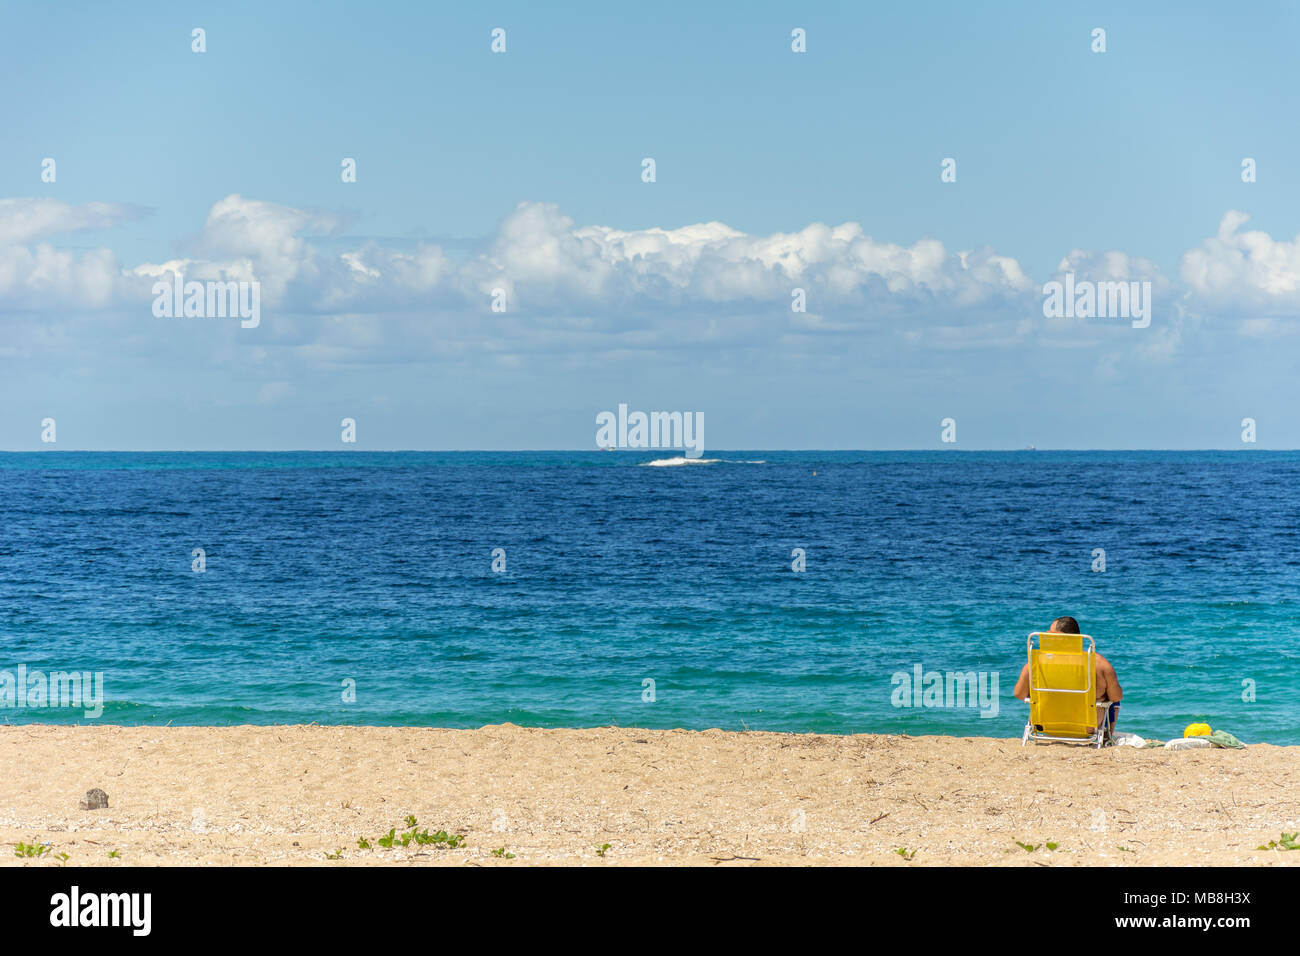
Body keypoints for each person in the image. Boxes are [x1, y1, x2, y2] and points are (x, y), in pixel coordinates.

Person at [1012, 616, 1122, 733]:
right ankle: (1107, 737)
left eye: (1050, 633)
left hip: (1044, 725)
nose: (1047, 635)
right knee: (1113, 698)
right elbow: (1116, 697)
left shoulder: (1036, 662)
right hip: (1087, 727)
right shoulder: (1099, 663)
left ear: (1060, 636)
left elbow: (1019, 693)